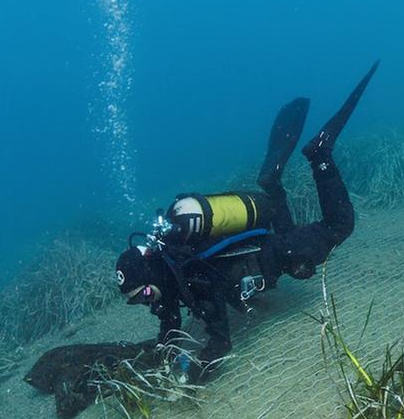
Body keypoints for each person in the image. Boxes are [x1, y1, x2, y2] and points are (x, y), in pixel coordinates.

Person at [114, 61, 378, 381]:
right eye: (137, 301)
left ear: (150, 269)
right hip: (267, 244)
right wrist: (163, 356)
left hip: (279, 253)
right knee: (285, 233)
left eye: (143, 294)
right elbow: (169, 323)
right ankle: (271, 184)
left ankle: (320, 155)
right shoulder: (168, 273)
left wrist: (186, 379)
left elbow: (220, 342)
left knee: (340, 226)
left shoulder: (192, 277)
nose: (146, 302)